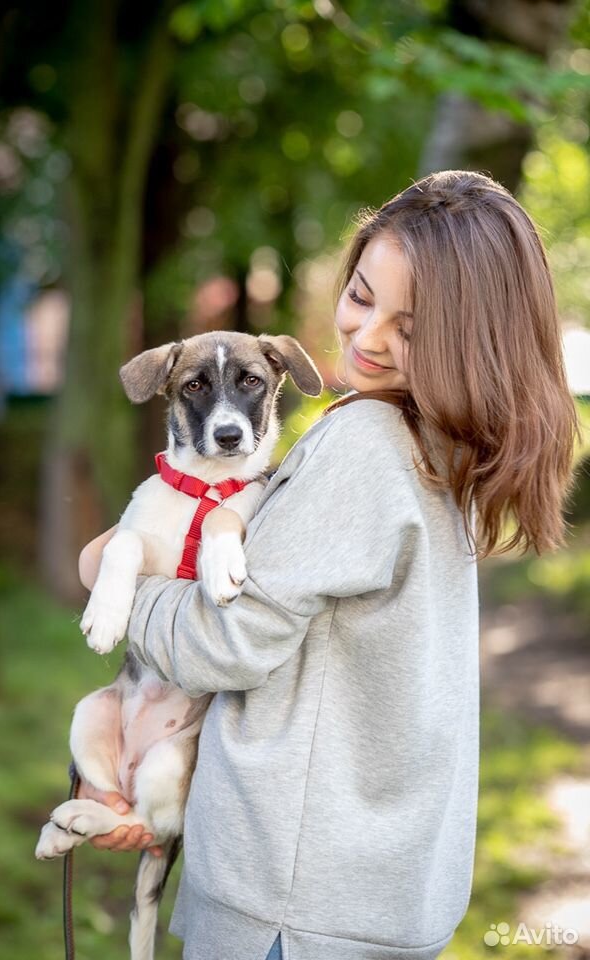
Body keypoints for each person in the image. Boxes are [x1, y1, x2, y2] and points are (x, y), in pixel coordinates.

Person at [77, 169, 578, 960]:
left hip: (292, 905)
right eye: (360, 294)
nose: (368, 336)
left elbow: (224, 643)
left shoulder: (364, 445)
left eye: (410, 327)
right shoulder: (445, 445)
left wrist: (110, 572)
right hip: (381, 885)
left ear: (469, 337)